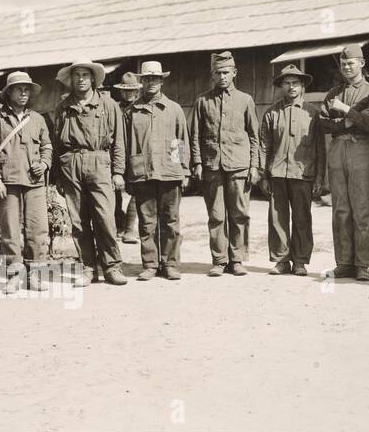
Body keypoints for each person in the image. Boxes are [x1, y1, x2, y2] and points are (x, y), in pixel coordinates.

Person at [51, 60, 128, 286]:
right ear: (71, 79)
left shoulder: (108, 105)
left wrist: (118, 172)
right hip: (70, 164)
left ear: (93, 79)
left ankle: (112, 267)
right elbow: (57, 144)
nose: (81, 79)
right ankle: (88, 268)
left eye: (85, 74)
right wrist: (58, 177)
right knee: (79, 221)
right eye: (77, 75)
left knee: (105, 218)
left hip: (99, 162)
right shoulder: (62, 108)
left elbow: (119, 142)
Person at [189, 50, 262, 276]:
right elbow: (195, 135)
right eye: (217, 73)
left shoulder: (245, 100)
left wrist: (254, 166)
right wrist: (198, 163)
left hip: (239, 166)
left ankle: (237, 259)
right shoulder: (202, 101)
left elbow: (254, 136)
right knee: (216, 215)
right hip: (212, 167)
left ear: (234, 73)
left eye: (226, 72)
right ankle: (219, 260)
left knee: (239, 214)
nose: (222, 76)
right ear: (212, 75)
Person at [0, 71, 53, 293]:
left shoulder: (38, 119)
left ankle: (35, 276)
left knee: (38, 229)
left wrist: (45, 164)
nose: (23, 93)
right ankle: (13, 275)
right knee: (10, 229)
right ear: (9, 92)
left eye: (27, 89)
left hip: (35, 182)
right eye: (18, 88)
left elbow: (47, 147)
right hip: (8, 182)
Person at [317, 44, 369, 281]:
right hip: (337, 149)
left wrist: (345, 111)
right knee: (340, 209)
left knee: (362, 210)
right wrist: (346, 122)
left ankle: (362, 264)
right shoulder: (333, 92)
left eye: (350, 63)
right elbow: (322, 123)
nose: (346, 67)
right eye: (343, 64)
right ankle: (344, 262)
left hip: (361, 149)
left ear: (361, 64)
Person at [123, 61, 190, 280]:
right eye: (147, 78)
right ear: (141, 81)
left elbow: (180, 141)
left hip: (169, 172)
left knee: (170, 220)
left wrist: (183, 170)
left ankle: (170, 263)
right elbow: (125, 144)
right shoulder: (132, 111)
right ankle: (150, 264)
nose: (151, 82)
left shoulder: (173, 109)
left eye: (155, 78)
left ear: (162, 81)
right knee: (147, 221)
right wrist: (128, 174)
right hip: (142, 173)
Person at [260, 64, 322, 277]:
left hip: (303, 174)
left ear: (302, 85)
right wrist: (264, 175)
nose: (291, 87)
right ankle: (281, 260)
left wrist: (319, 177)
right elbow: (264, 146)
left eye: (295, 83)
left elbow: (319, 147)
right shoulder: (271, 113)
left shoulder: (313, 113)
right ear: (281, 86)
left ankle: (300, 261)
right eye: (287, 83)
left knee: (302, 217)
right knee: (277, 218)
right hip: (277, 174)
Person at [109, 72, 142, 244]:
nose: (129, 94)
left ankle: (129, 230)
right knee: (114, 193)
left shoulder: (141, 109)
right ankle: (117, 226)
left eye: (132, 90)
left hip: (135, 155)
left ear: (137, 91)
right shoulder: (113, 108)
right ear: (120, 91)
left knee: (138, 191)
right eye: (125, 90)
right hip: (114, 155)